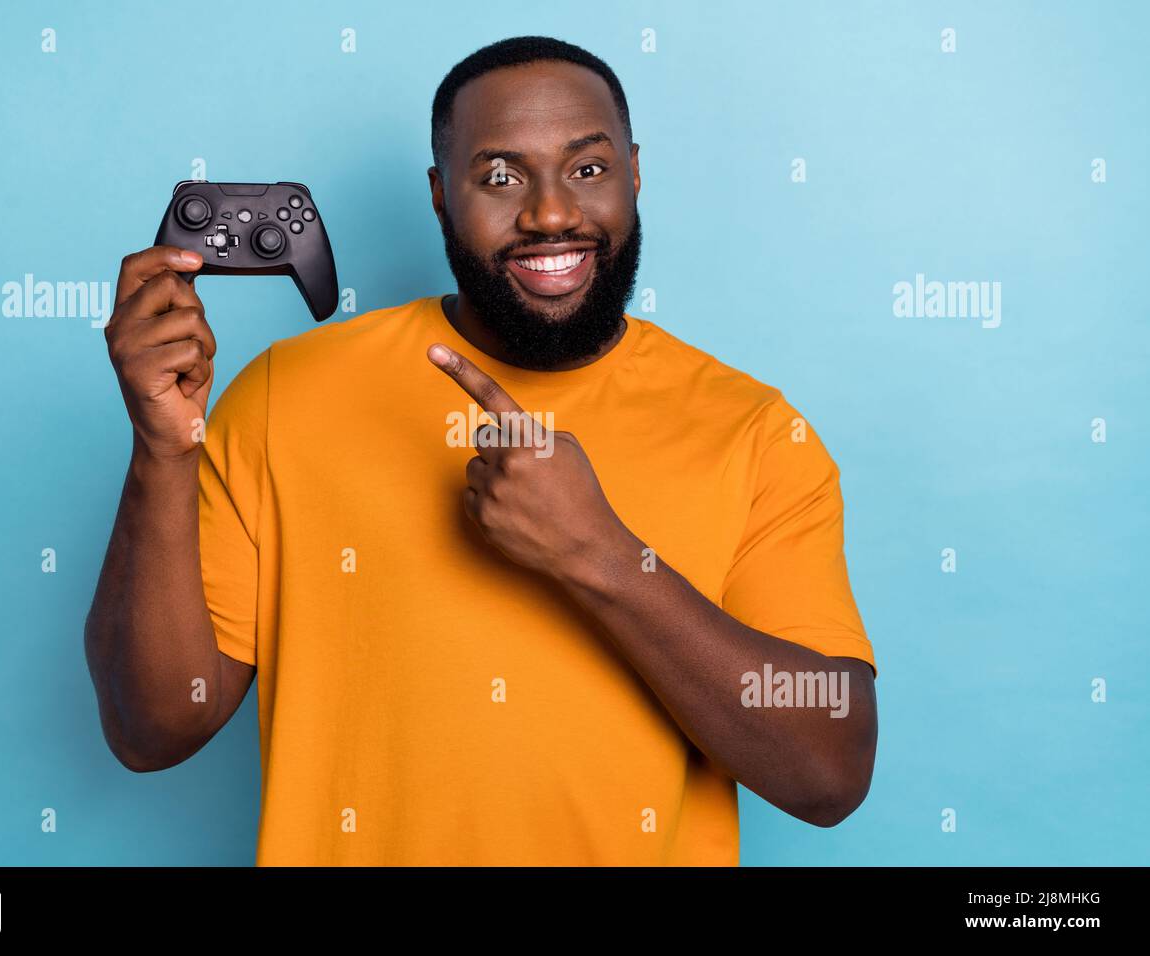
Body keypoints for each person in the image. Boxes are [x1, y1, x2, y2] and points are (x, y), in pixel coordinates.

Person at [85, 35, 878, 866]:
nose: (549, 213)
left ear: (635, 174)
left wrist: (600, 556)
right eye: (499, 176)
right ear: (439, 195)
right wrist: (161, 455)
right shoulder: (288, 394)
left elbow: (829, 770)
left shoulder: (753, 432)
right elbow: (152, 730)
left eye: (588, 168)